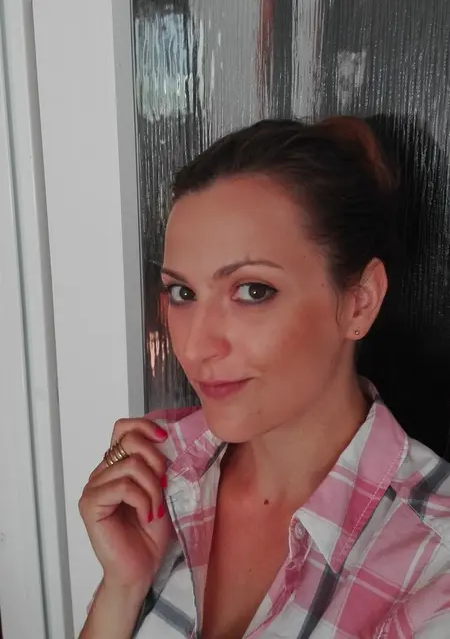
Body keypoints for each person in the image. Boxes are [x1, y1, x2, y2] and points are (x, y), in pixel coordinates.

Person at [79, 117, 450, 639]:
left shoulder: (433, 563)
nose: (195, 347)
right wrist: (123, 587)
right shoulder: (161, 469)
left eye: (252, 291)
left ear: (359, 302)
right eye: (183, 293)